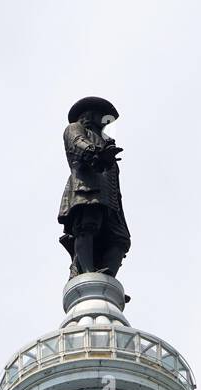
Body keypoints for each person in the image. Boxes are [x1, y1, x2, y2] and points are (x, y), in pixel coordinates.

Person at [58, 96, 131, 278]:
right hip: (86, 189)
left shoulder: (106, 142)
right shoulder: (75, 128)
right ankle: (88, 272)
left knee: (120, 239)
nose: (105, 124)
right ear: (90, 115)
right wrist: (96, 154)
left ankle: (106, 278)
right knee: (87, 227)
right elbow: (78, 143)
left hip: (111, 200)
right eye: (103, 118)